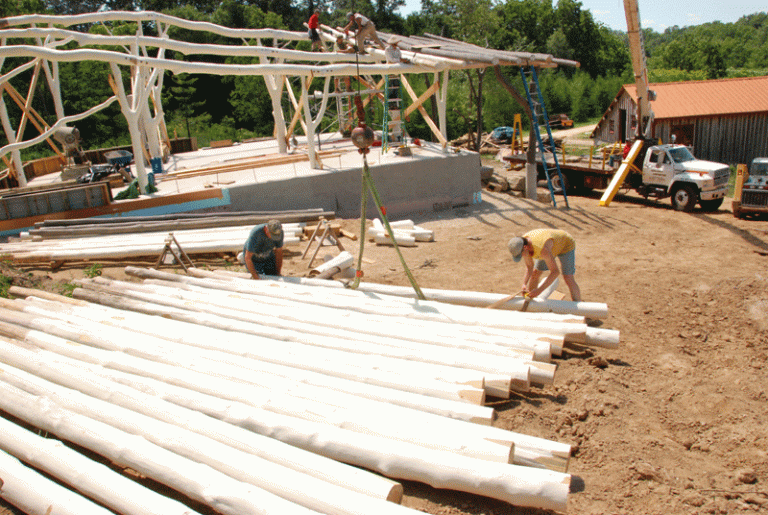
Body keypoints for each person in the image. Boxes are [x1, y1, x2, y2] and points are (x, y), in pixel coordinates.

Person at [508, 228, 582, 302]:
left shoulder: (542, 249)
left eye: (521, 254)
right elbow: (529, 267)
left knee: (568, 277)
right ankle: (529, 301)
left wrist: (539, 290)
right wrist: (524, 284)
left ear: (525, 247)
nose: (523, 256)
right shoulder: (522, 244)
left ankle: (579, 305)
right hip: (549, 247)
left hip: (565, 244)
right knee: (535, 273)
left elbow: (555, 272)